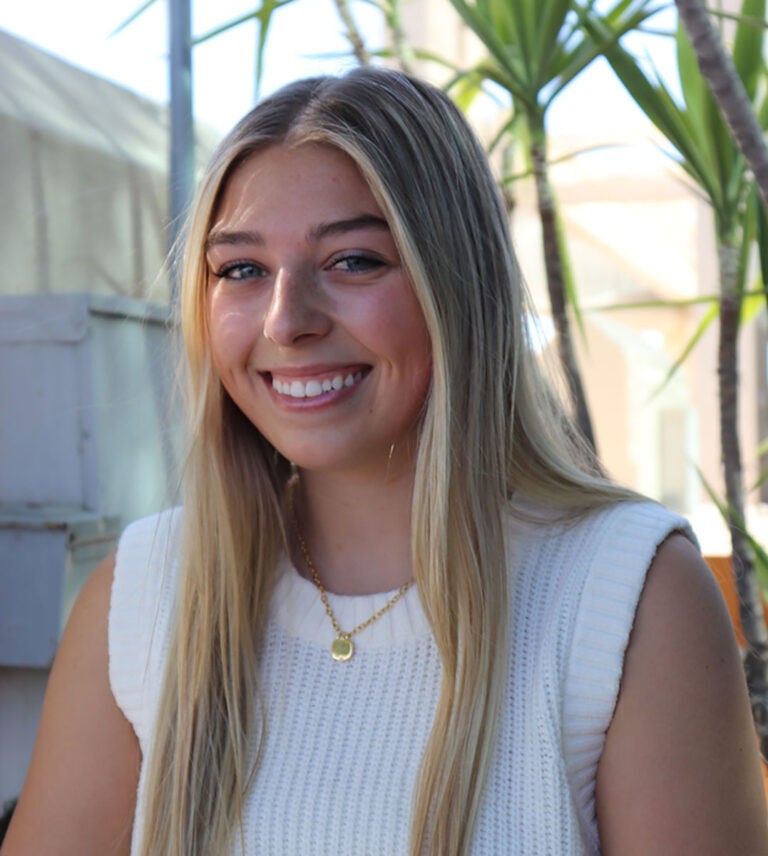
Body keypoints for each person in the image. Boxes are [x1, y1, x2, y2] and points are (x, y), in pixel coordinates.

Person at [3, 67, 767, 856]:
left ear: (458, 285)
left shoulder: (627, 595)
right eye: (241, 269)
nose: (286, 319)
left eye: (354, 261)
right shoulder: (144, 593)